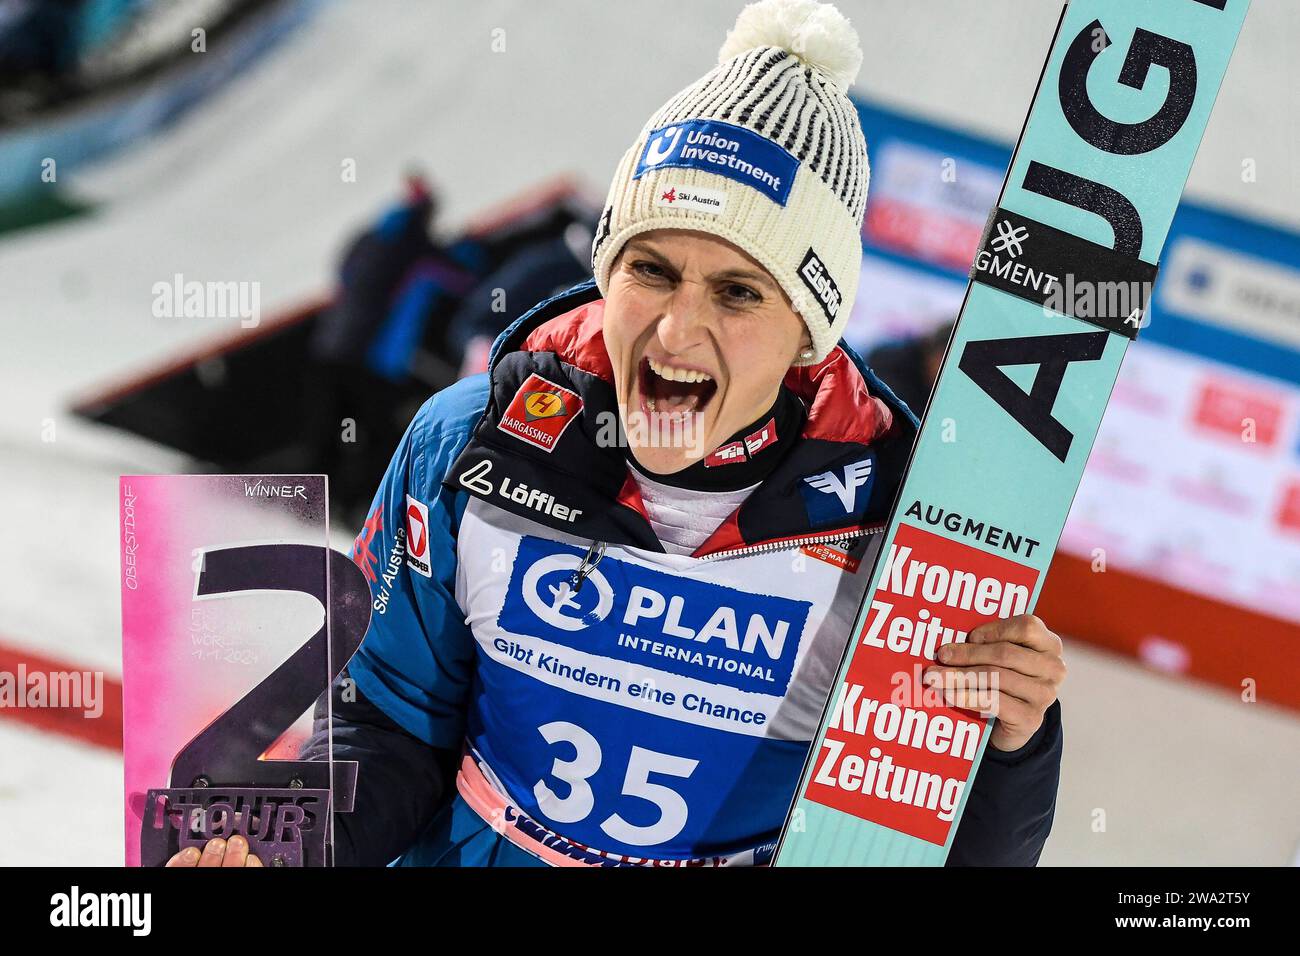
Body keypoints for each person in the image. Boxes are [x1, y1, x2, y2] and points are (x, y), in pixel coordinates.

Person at [170, 0, 1064, 869]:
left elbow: (935, 849)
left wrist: (1013, 747)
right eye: (651, 269)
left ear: (810, 330)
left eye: (739, 292)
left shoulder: (897, 526)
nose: (677, 331)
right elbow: (389, 725)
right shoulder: (470, 445)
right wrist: (282, 847)